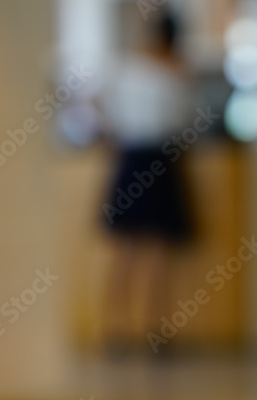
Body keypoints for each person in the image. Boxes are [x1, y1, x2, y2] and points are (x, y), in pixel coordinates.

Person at [98, 9, 193, 356]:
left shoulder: (125, 69)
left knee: (124, 249)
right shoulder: (175, 76)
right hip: (160, 160)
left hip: (128, 159)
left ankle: (116, 330)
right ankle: (156, 332)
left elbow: (105, 113)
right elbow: (184, 123)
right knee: (157, 250)